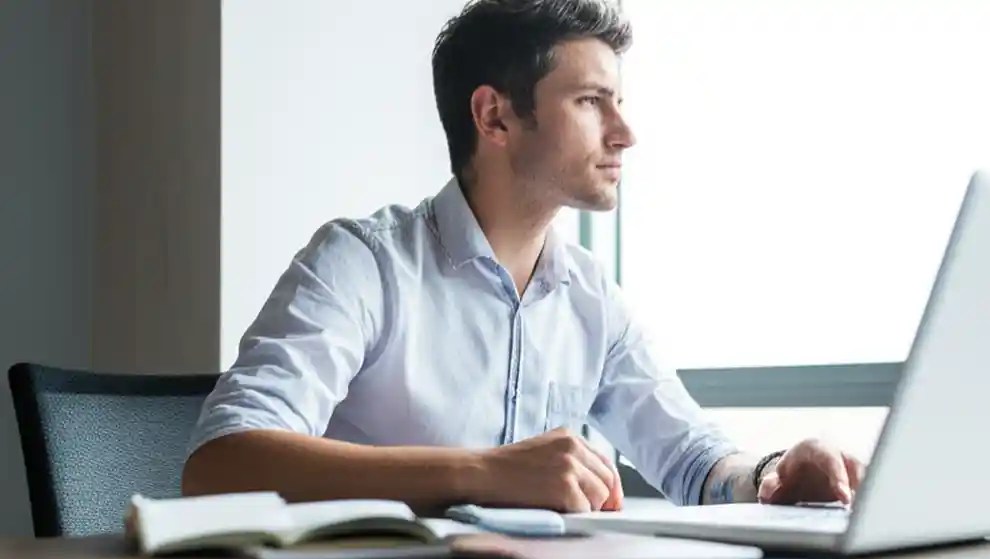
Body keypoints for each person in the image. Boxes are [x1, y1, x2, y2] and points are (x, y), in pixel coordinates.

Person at [182, 0, 864, 513]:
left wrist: (773, 473)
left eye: (619, 102)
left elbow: (692, 460)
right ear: (495, 118)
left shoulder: (593, 300)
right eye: (593, 102)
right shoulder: (364, 266)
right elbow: (220, 464)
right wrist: (481, 472)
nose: (625, 132)